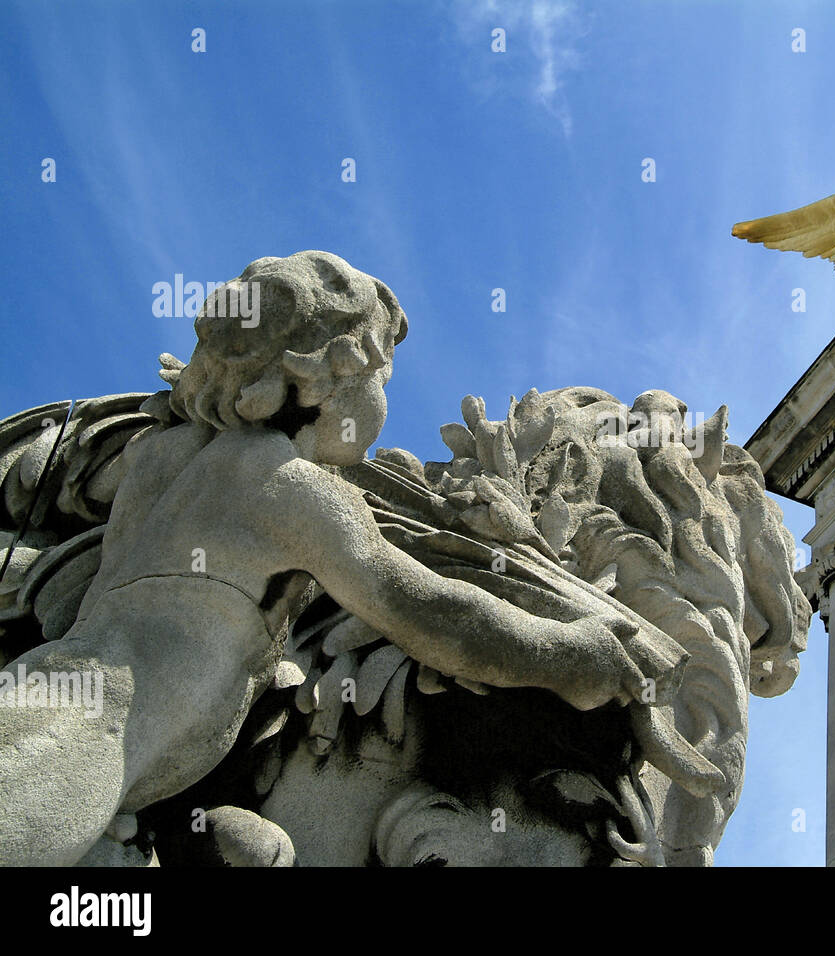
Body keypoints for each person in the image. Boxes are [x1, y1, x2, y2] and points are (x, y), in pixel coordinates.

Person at [0, 251, 680, 865]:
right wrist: (565, 653)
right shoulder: (289, 489)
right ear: (325, 377)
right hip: (92, 742)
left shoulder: (160, 456)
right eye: (381, 374)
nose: (384, 397)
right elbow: (429, 609)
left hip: (72, 708)